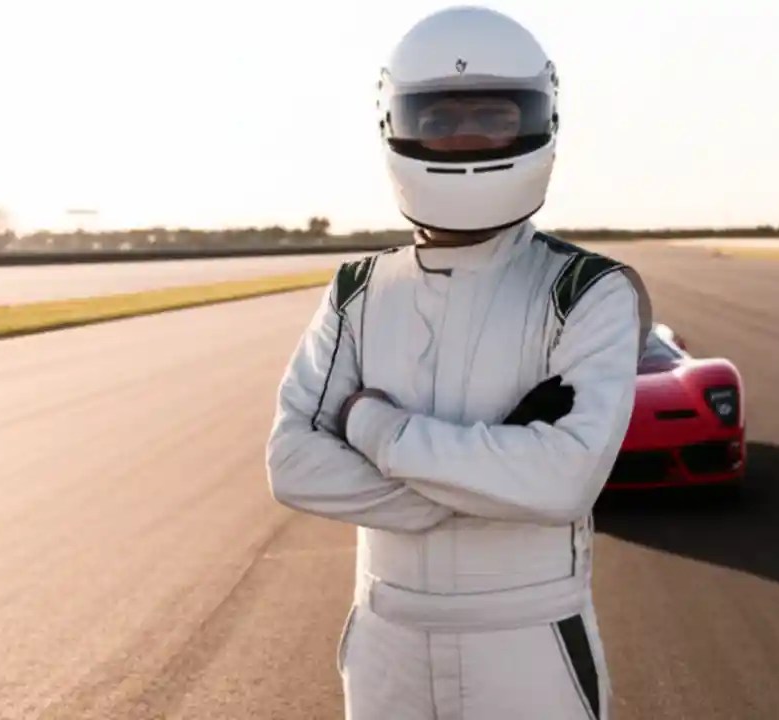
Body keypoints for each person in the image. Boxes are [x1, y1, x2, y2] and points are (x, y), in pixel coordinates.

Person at [264, 6, 651, 719]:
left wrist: (379, 432)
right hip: (386, 640)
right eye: (440, 122)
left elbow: (564, 482)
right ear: (396, 125)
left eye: (495, 116)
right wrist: (491, 483)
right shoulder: (358, 289)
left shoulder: (586, 290)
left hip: (529, 638)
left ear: (541, 120)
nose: (467, 139)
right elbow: (291, 466)